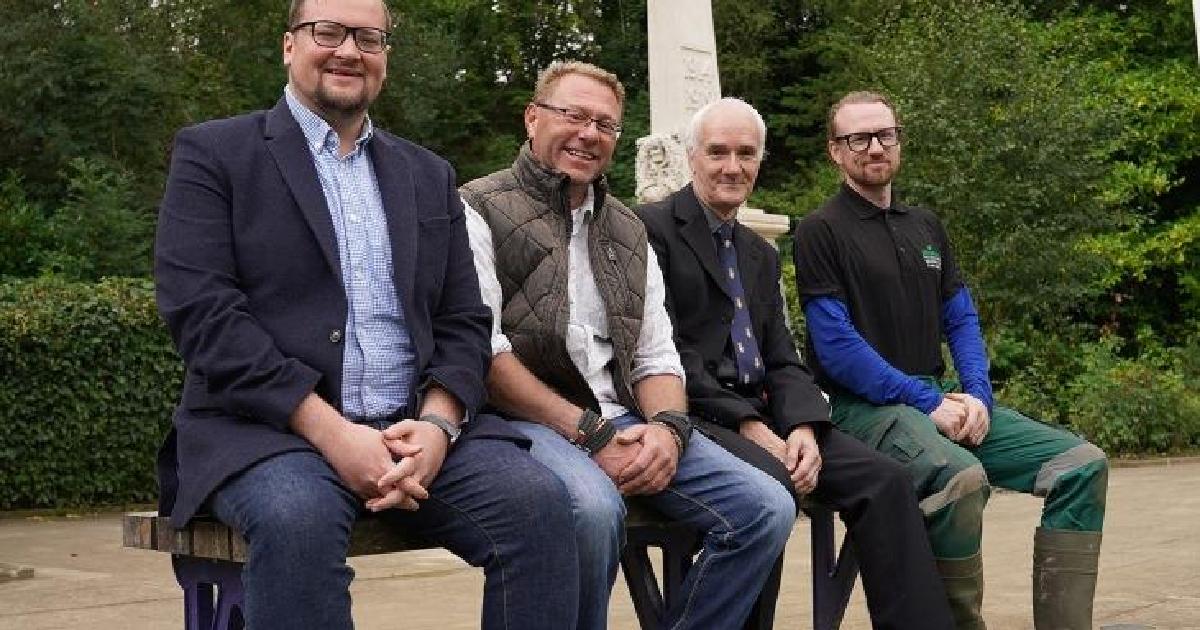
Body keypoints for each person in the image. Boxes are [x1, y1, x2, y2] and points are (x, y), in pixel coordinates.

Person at [153, 1, 578, 628]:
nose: (349, 50)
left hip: (416, 433)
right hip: (270, 434)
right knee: (298, 522)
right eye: (328, 32)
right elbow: (205, 316)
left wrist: (438, 426)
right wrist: (333, 434)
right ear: (289, 44)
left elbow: (465, 320)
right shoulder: (215, 155)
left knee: (543, 507)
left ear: (384, 56)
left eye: (369, 38)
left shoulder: (427, 174)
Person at [460, 61, 794, 630]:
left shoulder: (627, 228)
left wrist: (669, 427)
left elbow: (656, 354)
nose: (589, 134)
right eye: (574, 116)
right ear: (532, 117)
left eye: (605, 125)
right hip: (526, 419)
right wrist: (590, 433)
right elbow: (486, 357)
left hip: (627, 418)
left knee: (765, 509)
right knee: (591, 510)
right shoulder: (477, 208)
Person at [793, 90, 1109, 629]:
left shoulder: (926, 225)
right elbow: (837, 349)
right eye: (859, 138)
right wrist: (928, 401)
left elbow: (960, 318)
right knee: (960, 479)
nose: (874, 147)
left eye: (885, 135)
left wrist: (978, 394)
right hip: (863, 408)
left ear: (898, 141)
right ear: (835, 151)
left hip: (937, 398)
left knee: (1080, 466)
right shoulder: (820, 230)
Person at [636, 97, 956, 630]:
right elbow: (661, 347)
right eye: (717, 152)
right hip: (696, 414)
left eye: (746, 154)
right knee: (770, 488)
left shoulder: (758, 253)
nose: (732, 167)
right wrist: (752, 425)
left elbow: (782, 355)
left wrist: (804, 423)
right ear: (692, 158)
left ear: (760, 162)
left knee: (886, 480)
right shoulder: (653, 230)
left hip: (770, 415)